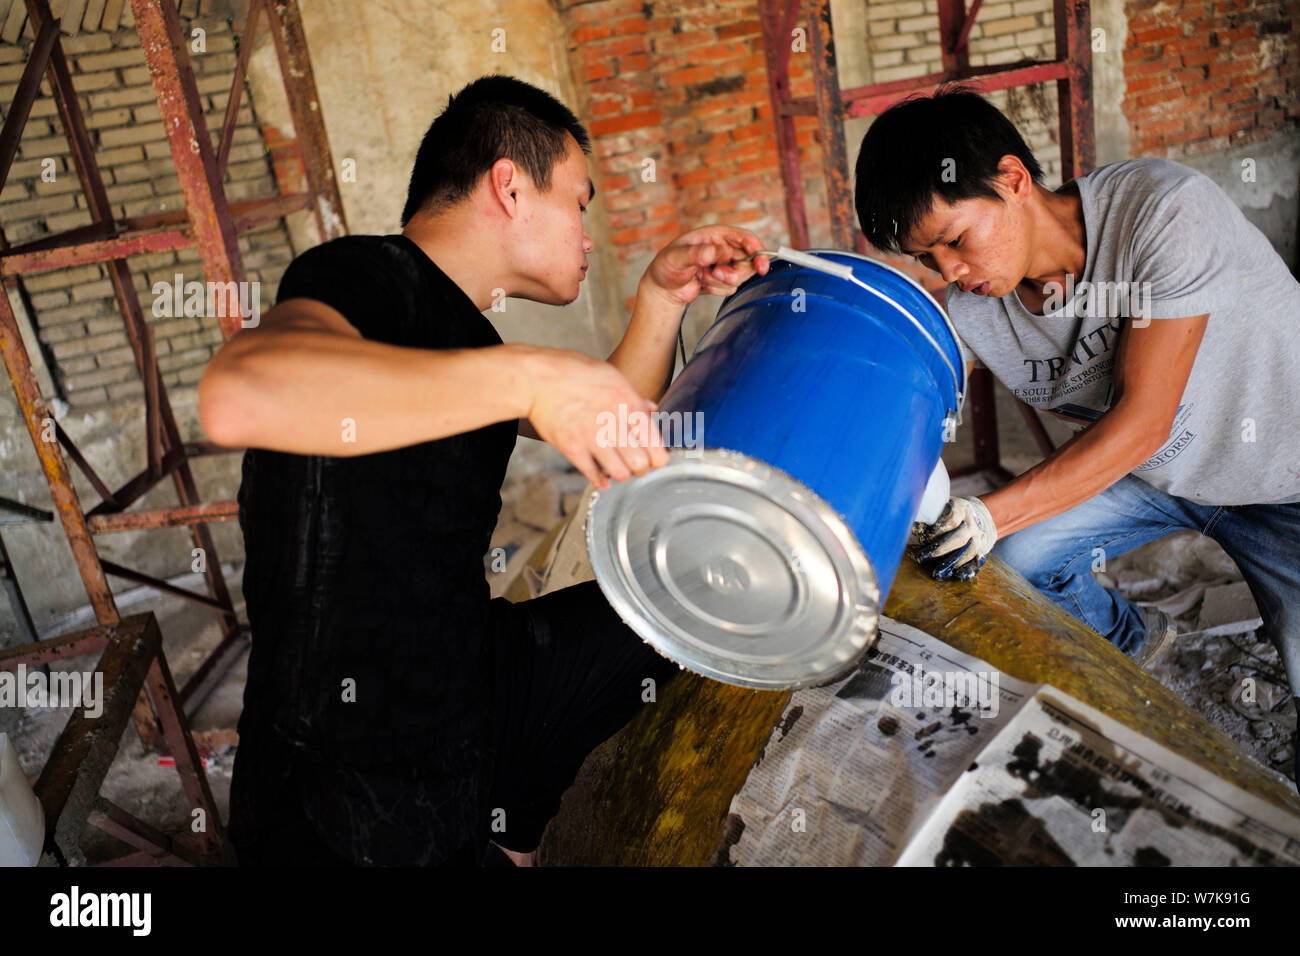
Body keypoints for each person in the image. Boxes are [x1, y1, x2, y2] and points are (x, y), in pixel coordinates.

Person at [198, 73, 770, 865]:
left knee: (675, 607)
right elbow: (240, 394)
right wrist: (533, 379)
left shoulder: (471, 344)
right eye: (579, 202)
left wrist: (660, 300)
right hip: (353, 763)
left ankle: (511, 825)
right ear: (509, 185)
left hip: (468, 668)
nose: (586, 234)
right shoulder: (361, 277)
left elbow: (604, 415)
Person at [853, 86, 1300, 786]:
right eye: (930, 262)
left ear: (1014, 180)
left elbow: (1145, 419)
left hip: (1282, 471)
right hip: (1157, 479)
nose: (953, 274)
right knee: (1020, 563)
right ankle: (1141, 643)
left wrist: (990, 513)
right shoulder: (973, 309)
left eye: (954, 242)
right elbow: (895, 390)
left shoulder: (1161, 210)